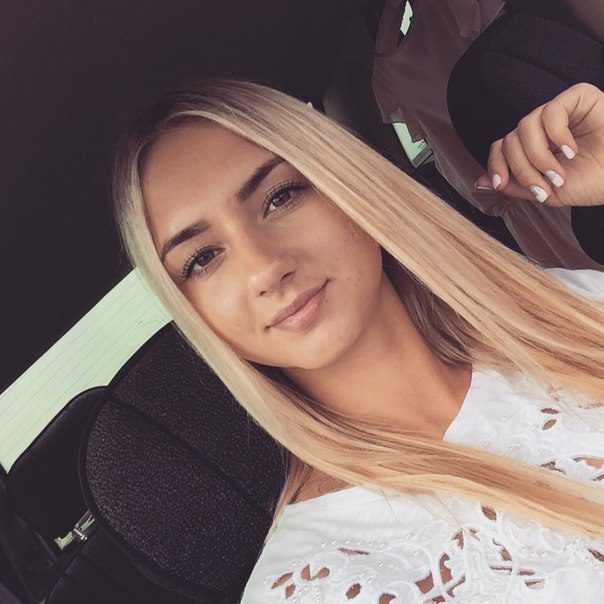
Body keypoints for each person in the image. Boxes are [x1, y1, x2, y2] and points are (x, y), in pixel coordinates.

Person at [113, 80, 604, 601]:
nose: (264, 269)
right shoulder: (312, 585)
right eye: (202, 259)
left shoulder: (573, 309)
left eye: (280, 197)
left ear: (348, 183)